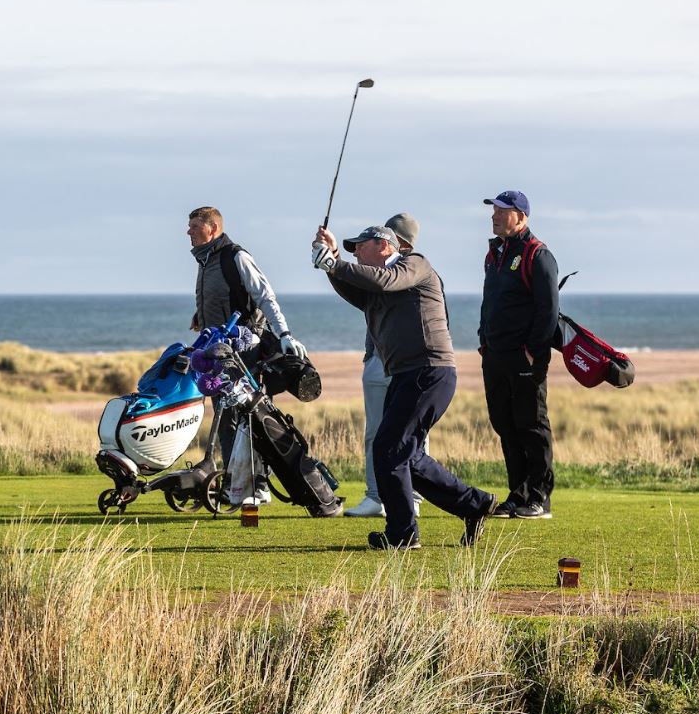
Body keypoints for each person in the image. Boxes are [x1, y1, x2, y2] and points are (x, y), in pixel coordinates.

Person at [312, 224, 496, 549]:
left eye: (359, 246)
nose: (356, 252)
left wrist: (336, 263)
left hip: (429, 371)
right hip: (406, 375)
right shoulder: (378, 285)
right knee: (406, 456)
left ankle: (402, 533)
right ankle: (474, 504)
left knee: (388, 449)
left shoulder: (414, 264)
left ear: (384, 245)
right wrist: (332, 261)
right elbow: (355, 288)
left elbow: (384, 280)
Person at [187, 206, 308, 504]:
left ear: (212, 228)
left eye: (193, 226)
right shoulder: (206, 261)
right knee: (226, 417)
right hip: (218, 352)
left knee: (249, 419)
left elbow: (265, 296)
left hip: (244, 352)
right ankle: (238, 485)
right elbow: (223, 297)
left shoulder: (235, 256)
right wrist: (200, 316)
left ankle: (256, 487)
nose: (188, 231)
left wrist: (285, 335)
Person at [478, 190, 559, 519]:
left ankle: (539, 497)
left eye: (502, 211)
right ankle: (518, 494)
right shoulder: (494, 253)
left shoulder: (537, 254)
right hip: (495, 356)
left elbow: (548, 310)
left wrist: (532, 352)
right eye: (494, 210)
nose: (494, 215)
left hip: (525, 359)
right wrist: (484, 342)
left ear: (521, 217)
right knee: (505, 424)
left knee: (531, 426)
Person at [345, 213, 424, 519]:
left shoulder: (413, 269)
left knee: (413, 433)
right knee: (375, 432)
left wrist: (336, 264)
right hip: (378, 358)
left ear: (395, 243)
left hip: (408, 362)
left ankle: (412, 497)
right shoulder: (378, 272)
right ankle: (375, 495)